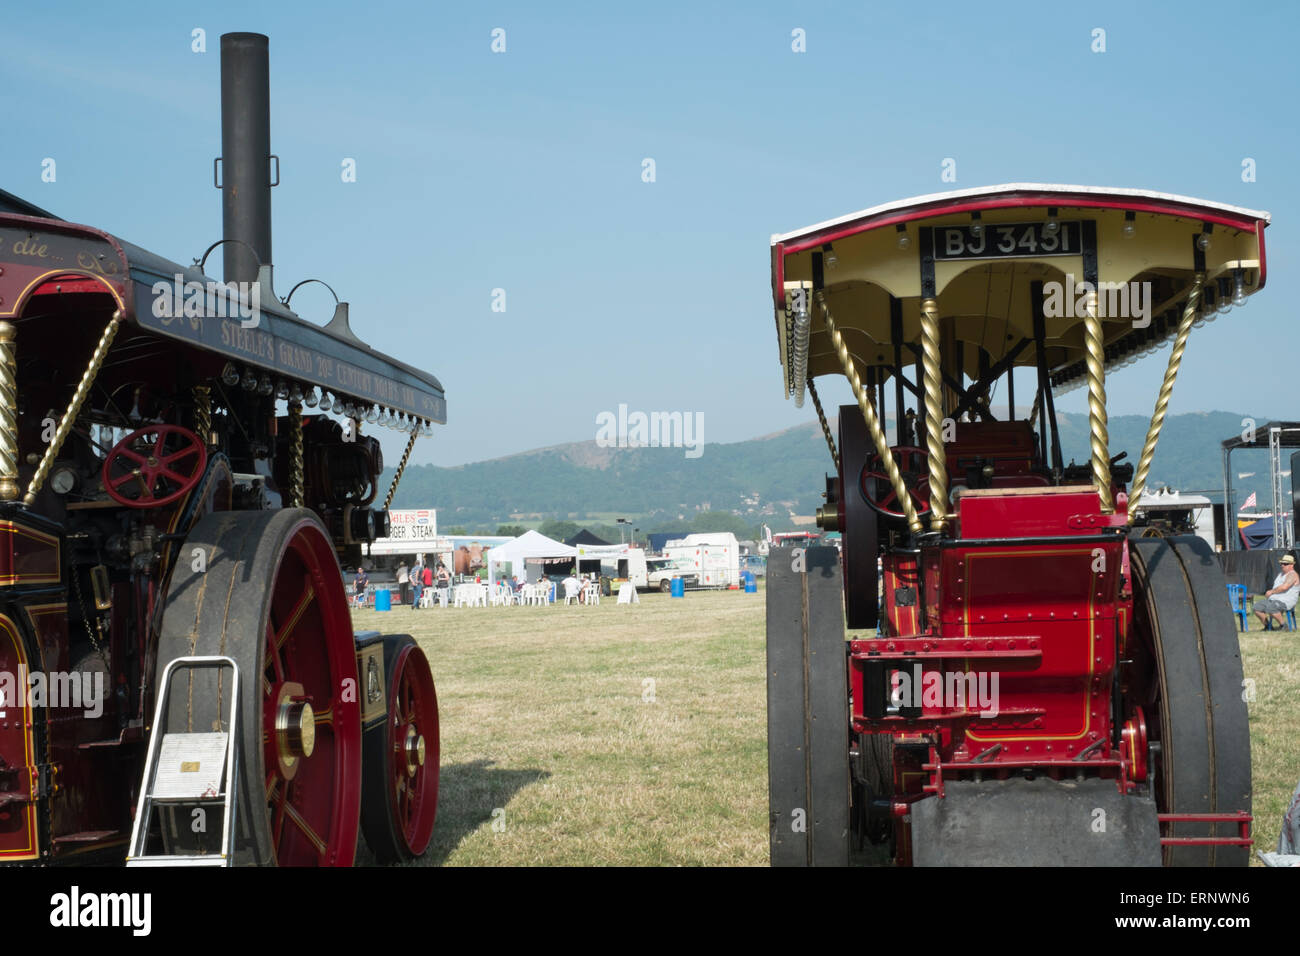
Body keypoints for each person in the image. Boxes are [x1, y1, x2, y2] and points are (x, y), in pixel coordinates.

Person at [1254, 553, 1300, 630]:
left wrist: (1271, 592)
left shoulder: (1293, 574)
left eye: (1285, 564)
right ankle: (1268, 626)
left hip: (1286, 601)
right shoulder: (1280, 574)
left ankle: (1283, 625)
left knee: (1271, 607)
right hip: (1274, 600)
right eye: (1282, 563)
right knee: (1257, 607)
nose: (1282, 565)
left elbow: (1284, 587)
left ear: (1292, 565)